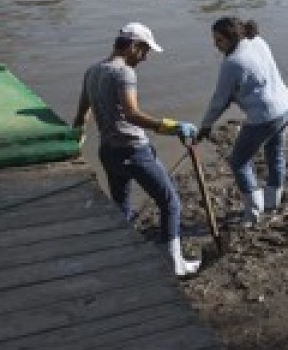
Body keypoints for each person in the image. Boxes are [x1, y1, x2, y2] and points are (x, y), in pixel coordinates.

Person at [72, 23, 201, 277]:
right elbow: (131, 114)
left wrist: (76, 144)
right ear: (132, 46)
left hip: (108, 151)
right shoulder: (124, 73)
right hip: (133, 150)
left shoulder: (93, 70)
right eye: (144, 51)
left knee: (121, 206)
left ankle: (123, 258)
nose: (145, 57)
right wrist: (172, 127)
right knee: (169, 202)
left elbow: (81, 115)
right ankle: (174, 263)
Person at [197, 18, 288, 228]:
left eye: (219, 40)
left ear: (231, 38)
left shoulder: (232, 63)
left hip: (265, 117)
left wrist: (205, 125)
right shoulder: (257, 41)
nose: (215, 45)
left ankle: (253, 213)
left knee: (239, 161)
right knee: (275, 153)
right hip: (285, 107)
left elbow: (219, 101)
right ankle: (272, 202)